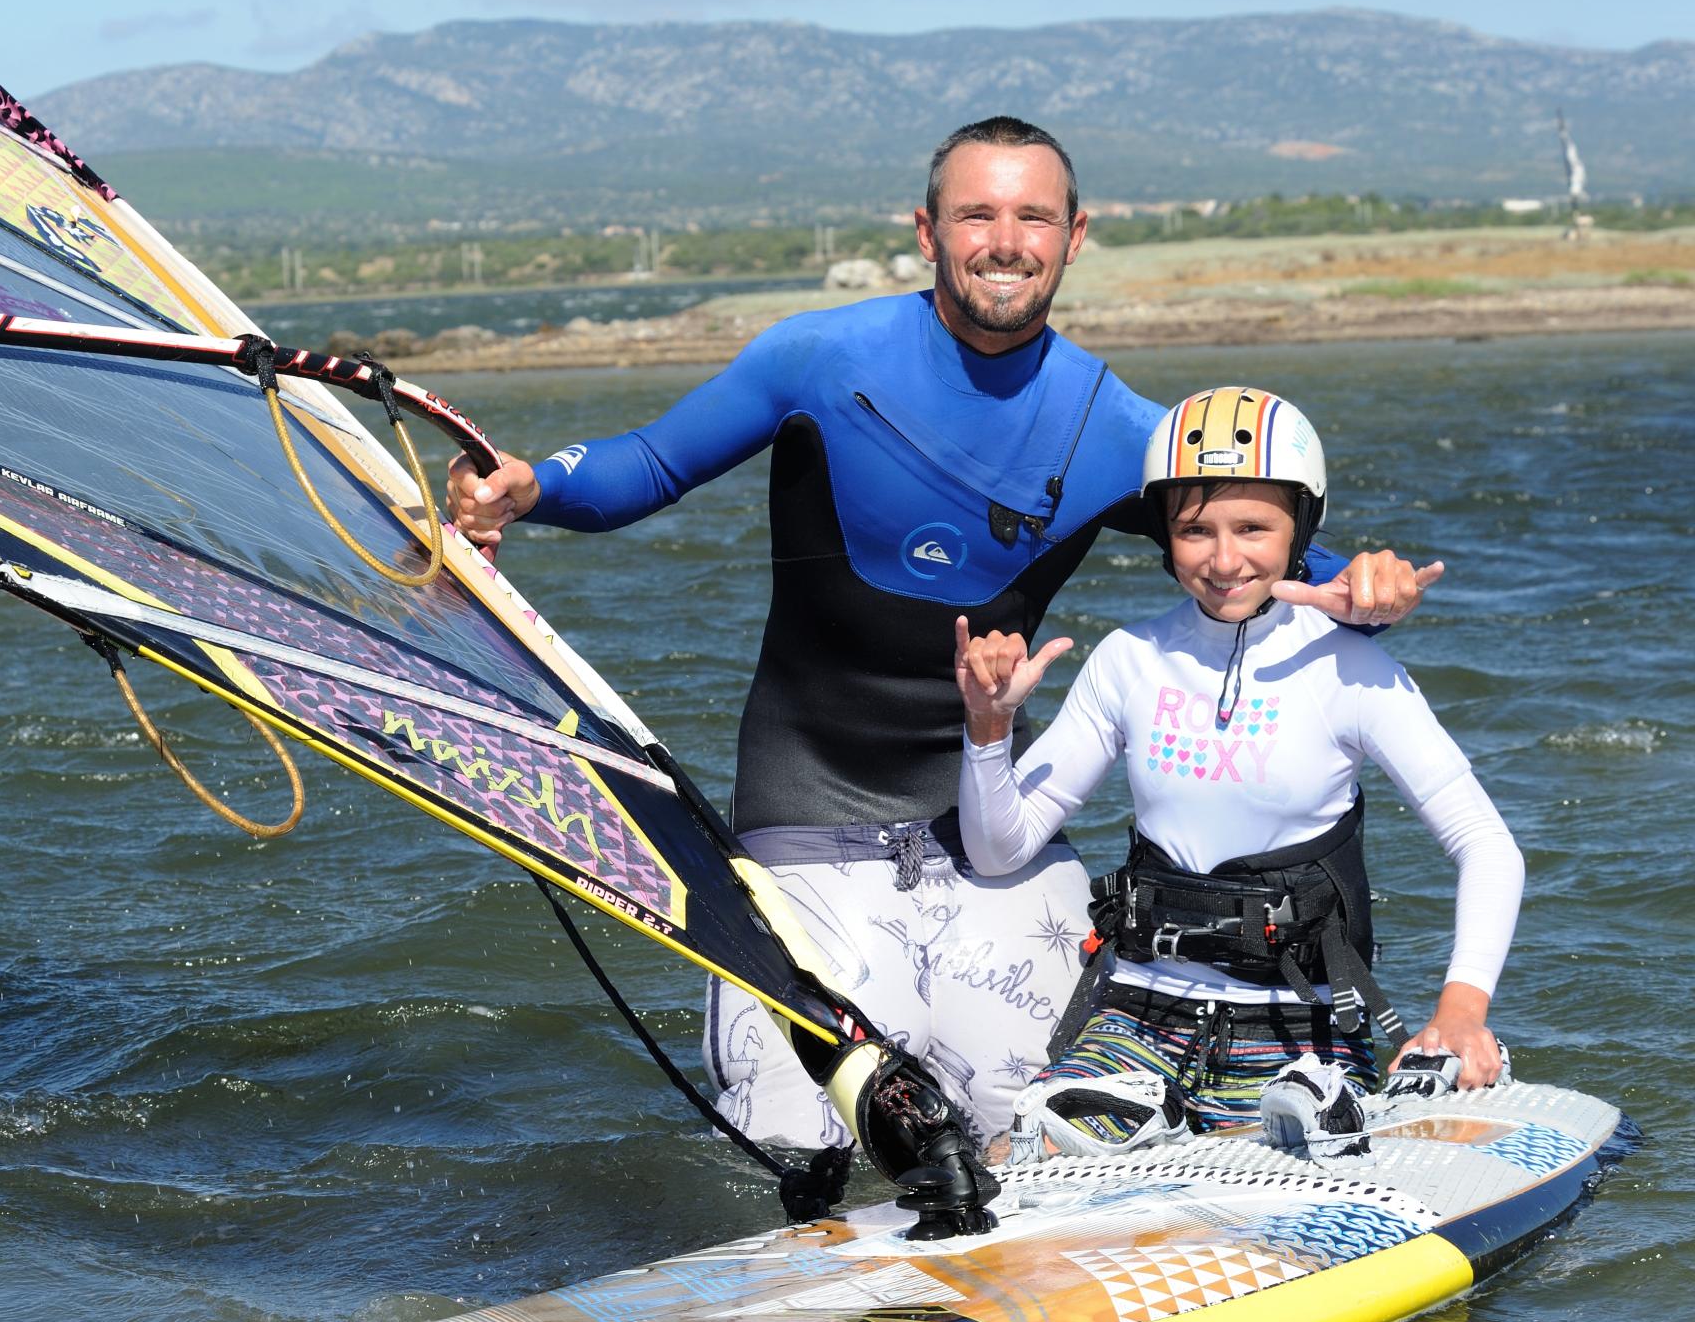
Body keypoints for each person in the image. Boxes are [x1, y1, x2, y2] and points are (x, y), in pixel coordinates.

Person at [448, 116, 1437, 1151]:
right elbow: (644, 467)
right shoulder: (818, 359)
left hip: (994, 851)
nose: (1004, 240)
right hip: (805, 838)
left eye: (1032, 217)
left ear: (1074, 235)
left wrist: (1364, 580)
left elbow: (1259, 553)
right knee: (804, 1158)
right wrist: (530, 487)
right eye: (977, 213)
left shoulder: (1117, 429)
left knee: (1059, 1146)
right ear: (928, 230)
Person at [956, 386, 1521, 1165]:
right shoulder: (1129, 660)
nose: (1224, 560)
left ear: (1300, 529)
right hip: (1134, 1022)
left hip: (1302, 1036)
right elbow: (999, 850)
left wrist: (1461, 1009)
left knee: (1287, 1152)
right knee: (1012, 1159)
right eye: (1195, 531)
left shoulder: (1350, 667)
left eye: (1253, 528)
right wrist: (987, 730)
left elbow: (1488, 846)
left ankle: (1287, 1123)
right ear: (1166, 535)